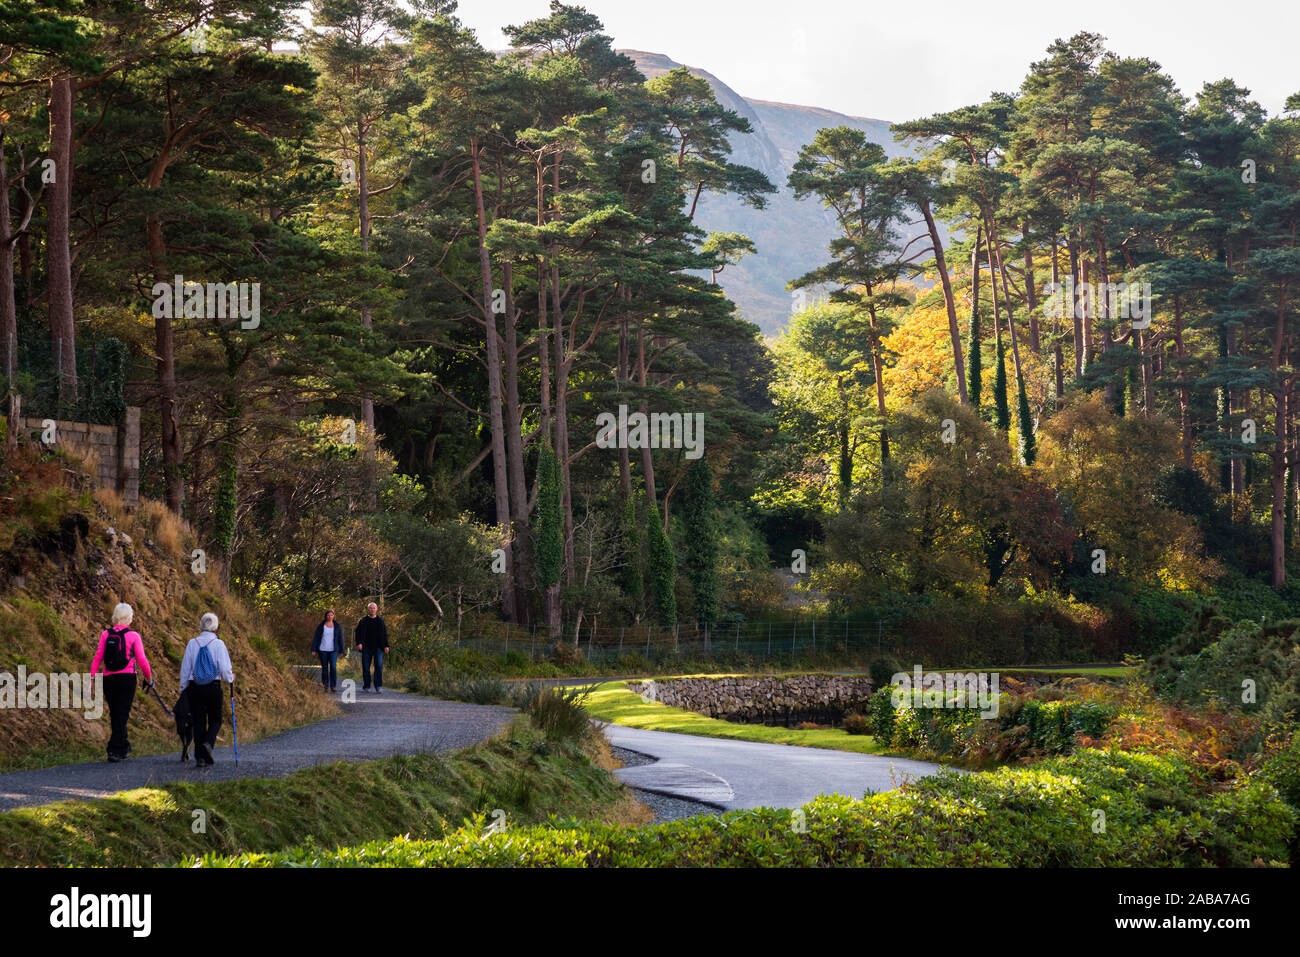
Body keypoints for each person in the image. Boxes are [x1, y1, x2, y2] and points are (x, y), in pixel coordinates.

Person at [90, 603, 154, 762]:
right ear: (129, 617)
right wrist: (149, 678)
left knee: (115, 713)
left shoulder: (106, 634)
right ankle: (114, 749)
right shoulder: (134, 636)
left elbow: (98, 657)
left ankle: (123, 745)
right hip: (127, 678)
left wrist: (92, 677)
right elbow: (142, 660)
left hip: (108, 678)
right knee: (122, 713)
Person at [179, 613, 235, 767]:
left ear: (201, 625)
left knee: (198, 721)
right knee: (216, 719)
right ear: (216, 627)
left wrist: (183, 687)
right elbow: (224, 668)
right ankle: (208, 744)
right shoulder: (218, 644)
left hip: (194, 687)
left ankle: (200, 757)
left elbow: (185, 668)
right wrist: (230, 678)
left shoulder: (192, 643)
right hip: (213, 687)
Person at [355, 602, 389, 693]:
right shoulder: (363, 620)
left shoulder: (380, 621)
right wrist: (359, 643)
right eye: (370, 608)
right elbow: (357, 633)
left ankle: (378, 686)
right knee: (366, 667)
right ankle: (367, 686)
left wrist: (386, 645)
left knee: (378, 666)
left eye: (374, 608)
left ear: (376, 609)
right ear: (368, 609)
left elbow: (385, 634)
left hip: (378, 647)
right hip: (366, 647)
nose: (372, 609)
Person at [310, 609, 344, 692]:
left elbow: (340, 638)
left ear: (333, 616)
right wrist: (313, 649)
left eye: (331, 615)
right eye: (328, 615)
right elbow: (316, 637)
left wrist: (342, 650)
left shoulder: (336, 626)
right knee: (324, 668)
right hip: (323, 650)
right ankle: (325, 685)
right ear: (325, 616)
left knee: (333, 667)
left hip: (333, 650)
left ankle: (333, 686)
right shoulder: (321, 626)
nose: (330, 617)